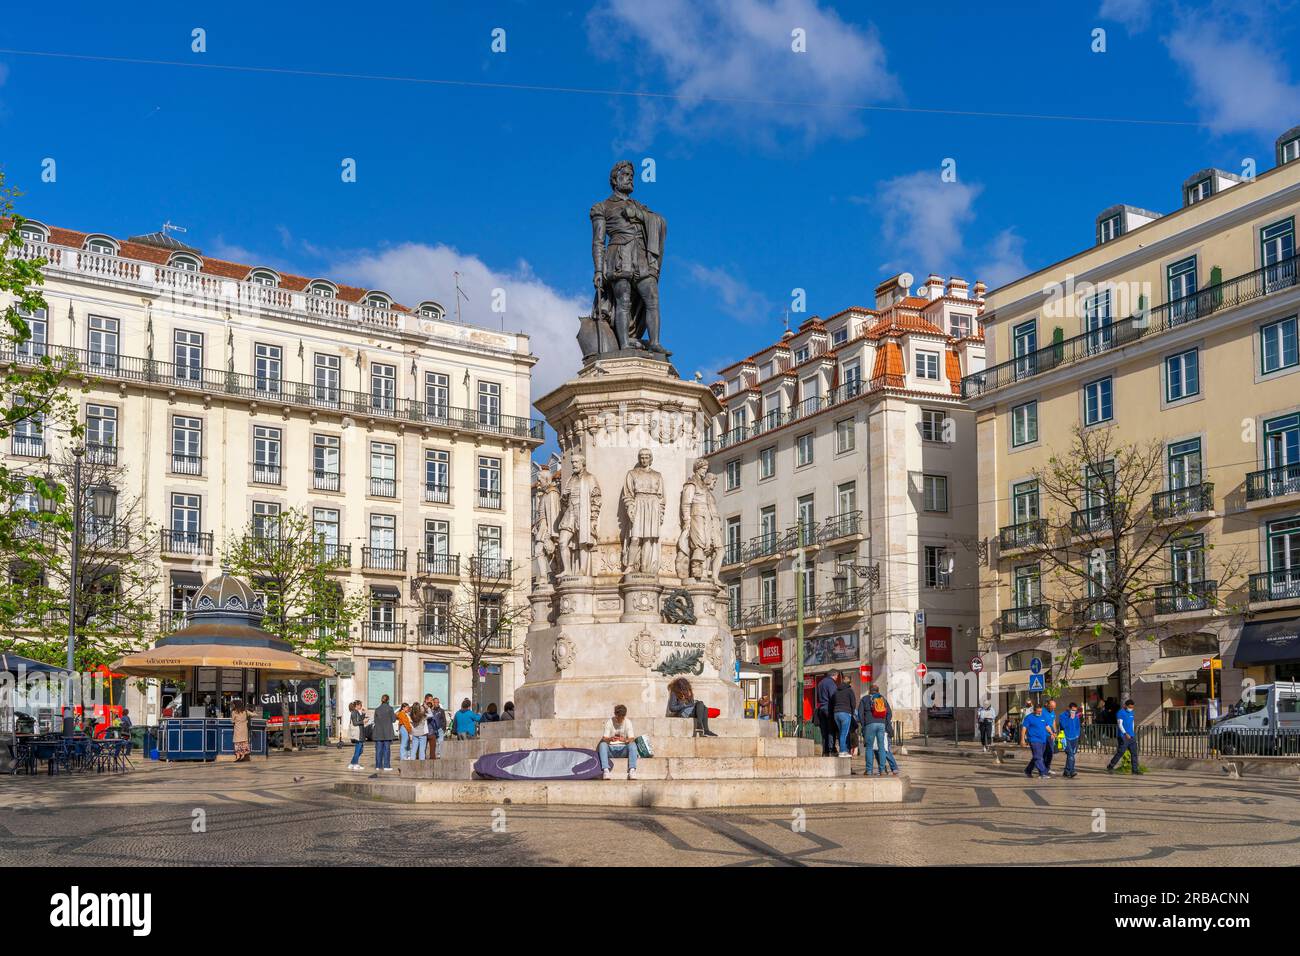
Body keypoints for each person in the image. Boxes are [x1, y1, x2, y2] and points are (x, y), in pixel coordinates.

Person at [858, 684, 895, 776]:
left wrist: (864, 724)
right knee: (881, 747)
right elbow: (889, 713)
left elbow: (860, 713)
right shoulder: (882, 699)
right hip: (881, 724)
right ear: (878, 691)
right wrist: (884, 723)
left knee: (869, 747)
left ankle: (869, 770)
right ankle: (882, 770)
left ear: (869, 690)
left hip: (870, 724)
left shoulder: (865, 699)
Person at [597, 704, 639, 780]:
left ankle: (632, 770)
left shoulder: (628, 722)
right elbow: (604, 738)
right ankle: (606, 770)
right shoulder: (610, 722)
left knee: (633, 745)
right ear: (615, 715)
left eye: (621, 717)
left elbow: (632, 738)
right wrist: (610, 739)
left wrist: (625, 740)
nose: (619, 719)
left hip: (623, 750)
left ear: (624, 716)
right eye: (618, 717)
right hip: (611, 750)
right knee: (602, 745)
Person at [1106, 699, 1140, 773]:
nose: (1131, 709)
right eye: (1130, 707)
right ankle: (1110, 766)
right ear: (1126, 705)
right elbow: (1120, 724)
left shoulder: (1132, 712)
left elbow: (1132, 722)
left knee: (1134, 753)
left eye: (1132, 707)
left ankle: (1135, 770)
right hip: (1123, 736)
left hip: (1131, 736)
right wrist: (1125, 733)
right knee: (1120, 752)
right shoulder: (1120, 712)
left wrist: (1133, 732)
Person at [1021, 701, 1051, 778]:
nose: (1039, 713)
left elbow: (1047, 726)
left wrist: (1052, 733)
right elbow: (1024, 728)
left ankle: (1028, 770)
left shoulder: (1043, 716)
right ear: (1034, 710)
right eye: (1038, 711)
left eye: (1040, 711)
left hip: (1043, 740)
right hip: (1034, 739)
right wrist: (1022, 739)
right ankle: (1043, 773)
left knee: (1037, 756)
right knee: (1038, 757)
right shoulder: (1028, 718)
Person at [832, 671, 857, 759]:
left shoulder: (836, 691)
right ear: (849, 682)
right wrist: (852, 713)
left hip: (836, 714)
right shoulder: (849, 690)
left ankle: (844, 750)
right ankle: (842, 751)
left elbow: (833, 702)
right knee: (844, 733)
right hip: (845, 713)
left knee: (841, 733)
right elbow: (853, 703)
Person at [815, 671, 839, 756]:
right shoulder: (831, 683)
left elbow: (818, 697)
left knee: (824, 731)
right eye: (836, 676)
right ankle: (831, 749)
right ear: (833, 675)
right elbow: (833, 696)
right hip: (829, 708)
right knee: (831, 730)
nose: (837, 678)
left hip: (821, 708)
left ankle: (824, 751)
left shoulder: (820, 683)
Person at [372, 695, 397, 772]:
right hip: (387, 732)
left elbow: (375, 721)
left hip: (378, 732)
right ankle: (386, 765)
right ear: (388, 700)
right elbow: (393, 720)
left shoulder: (377, 709)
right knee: (387, 749)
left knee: (378, 750)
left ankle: (378, 766)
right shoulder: (390, 709)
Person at [1059, 701, 1083, 777]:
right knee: (1071, 754)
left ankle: (1066, 771)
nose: (1074, 712)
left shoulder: (1076, 716)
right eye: (1072, 710)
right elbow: (1063, 725)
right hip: (1066, 737)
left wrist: (1077, 735)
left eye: (1075, 710)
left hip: (1074, 738)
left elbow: (1078, 726)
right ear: (1068, 709)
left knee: (1071, 755)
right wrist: (1069, 718)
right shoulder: (1063, 715)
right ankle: (1072, 771)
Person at [1040, 698, 1060, 774]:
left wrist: (1055, 732)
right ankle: (1043, 768)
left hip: (1050, 735)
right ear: (1047, 705)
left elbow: (1053, 722)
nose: (1053, 709)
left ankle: (1047, 768)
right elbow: (1044, 724)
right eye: (1051, 707)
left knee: (1050, 752)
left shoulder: (1052, 712)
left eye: (1054, 707)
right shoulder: (1042, 711)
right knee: (1043, 752)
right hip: (1043, 734)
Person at [347, 700, 366, 770]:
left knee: (360, 750)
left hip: (360, 733)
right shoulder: (354, 712)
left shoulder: (357, 712)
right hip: (358, 734)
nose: (361, 706)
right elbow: (355, 723)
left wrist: (363, 714)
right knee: (358, 749)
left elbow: (359, 719)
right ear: (357, 705)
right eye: (360, 705)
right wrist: (363, 721)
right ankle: (355, 764)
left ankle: (352, 763)